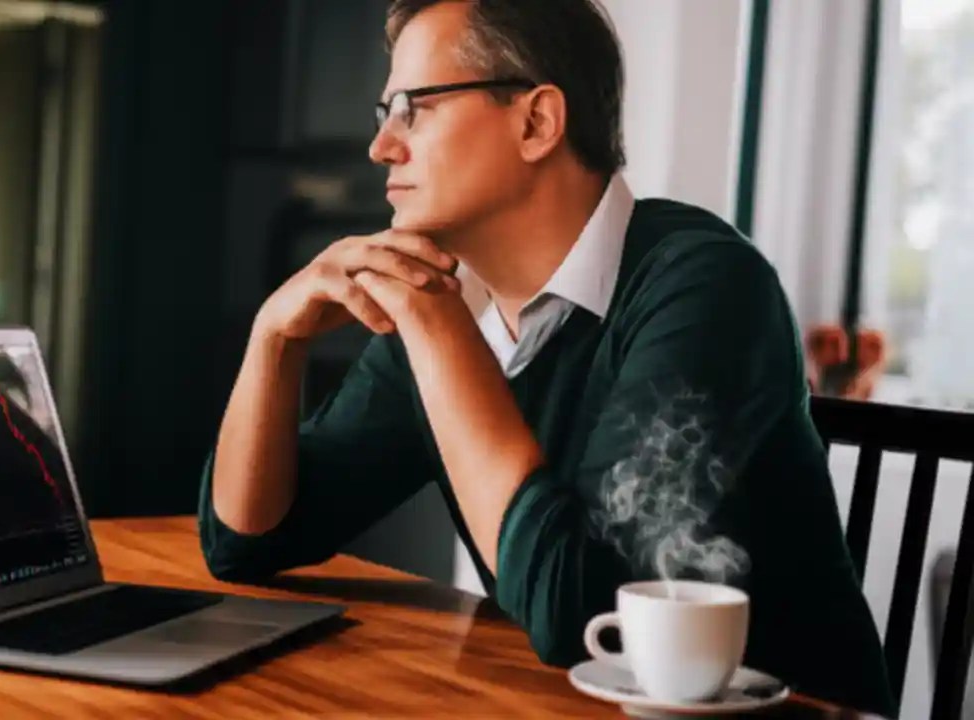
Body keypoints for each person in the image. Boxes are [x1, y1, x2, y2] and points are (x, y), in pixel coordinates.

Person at [197, 0, 895, 715]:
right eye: (384, 114)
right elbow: (248, 543)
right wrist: (275, 338)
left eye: (414, 107)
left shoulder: (703, 286)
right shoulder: (448, 307)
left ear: (536, 122)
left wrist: (438, 326)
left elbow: (585, 621)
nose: (382, 146)